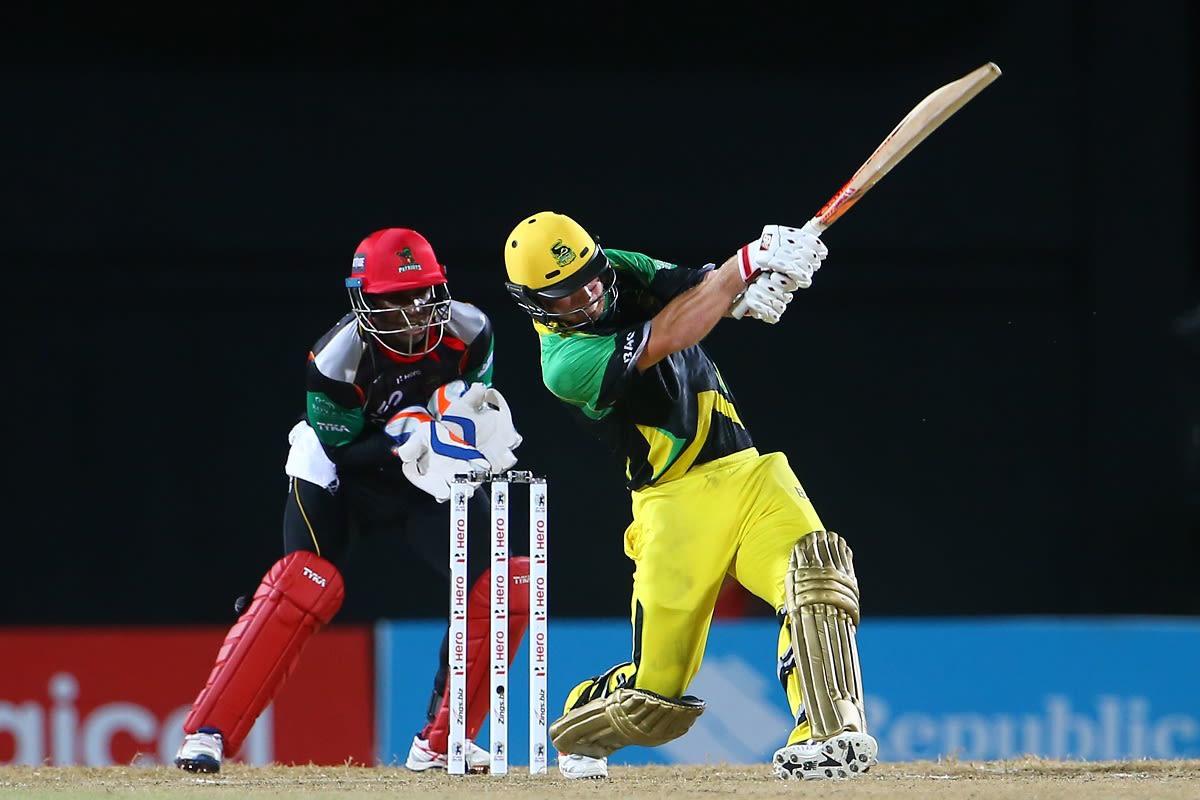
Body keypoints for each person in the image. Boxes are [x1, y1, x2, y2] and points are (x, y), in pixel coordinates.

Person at [502, 212, 878, 781]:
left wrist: (753, 287)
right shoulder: (564, 365)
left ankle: (831, 735)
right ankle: (579, 723)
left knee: (816, 573)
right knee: (655, 701)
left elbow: (698, 289)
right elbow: (671, 332)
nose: (589, 298)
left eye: (591, 279)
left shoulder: (615, 268)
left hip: (748, 474)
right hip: (673, 507)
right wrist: (746, 265)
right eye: (567, 298)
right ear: (535, 306)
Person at [174, 227, 525, 774]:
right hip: (342, 477)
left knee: (500, 583)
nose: (412, 313)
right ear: (365, 300)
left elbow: (470, 402)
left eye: (421, 295)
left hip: (424, 475)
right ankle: (206, 733)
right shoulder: (335, 360)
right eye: (395, 299)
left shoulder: (472, 329)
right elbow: (341, 448)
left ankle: (443, 742)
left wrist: (458, 429)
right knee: (301, 586)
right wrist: (398, 437)